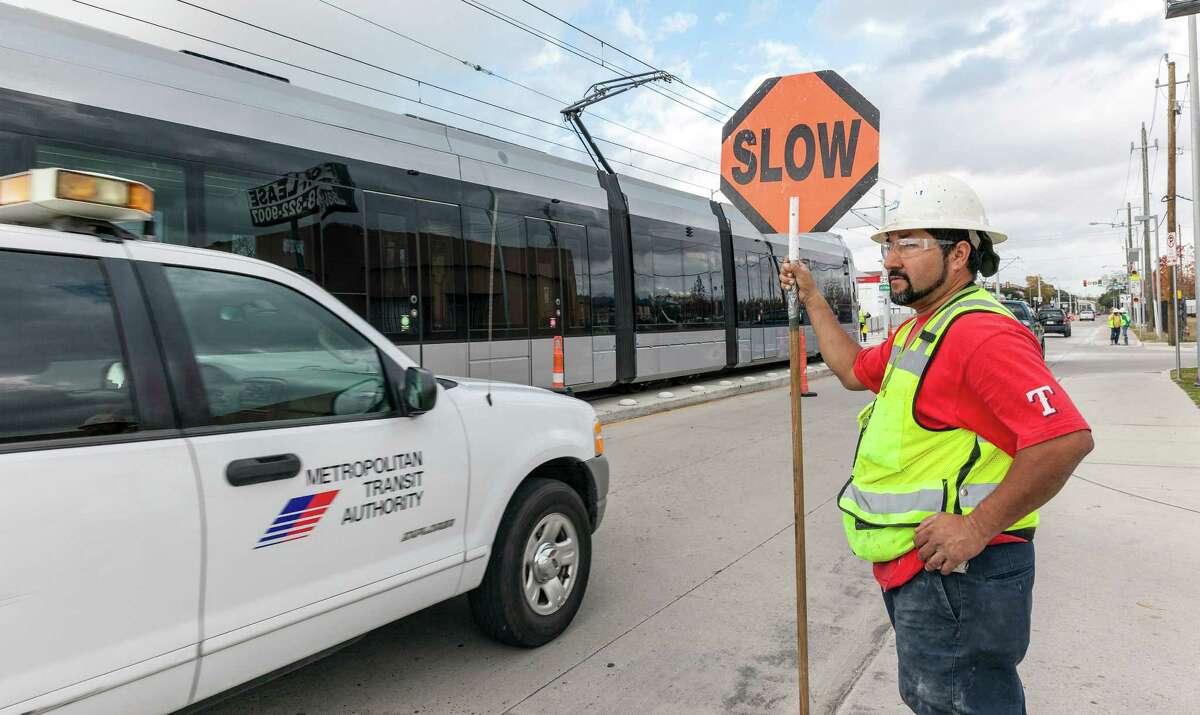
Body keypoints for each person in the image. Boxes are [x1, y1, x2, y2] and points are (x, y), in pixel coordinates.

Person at [779, 175, 1093, 714]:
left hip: (961, 576)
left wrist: (974, 528)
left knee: (957, 703)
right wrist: (811, 296)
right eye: (889, 245)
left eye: (910, 243)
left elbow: (1064, 440)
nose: (893, 258)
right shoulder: (922, 328)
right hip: (926, 572)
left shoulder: (980, 334)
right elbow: (855, 371)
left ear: (959, 254)